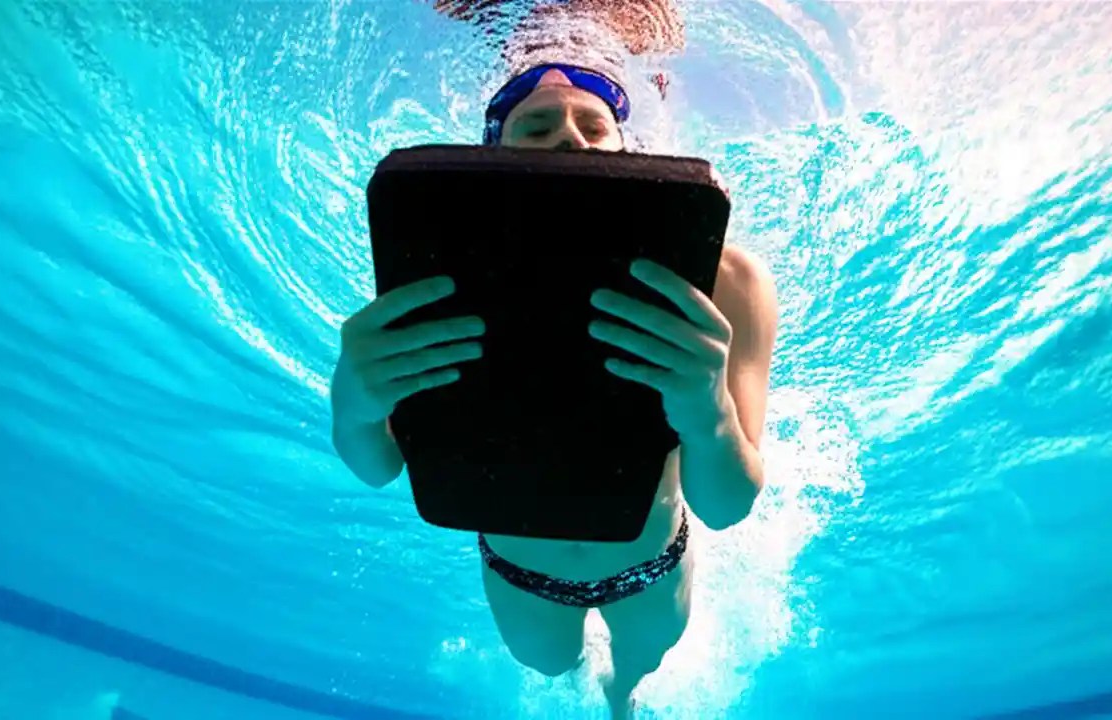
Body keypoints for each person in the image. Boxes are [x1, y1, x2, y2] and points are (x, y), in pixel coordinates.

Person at [330, 2, 779, 717]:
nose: (570, 139)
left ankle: (622, 699)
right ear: (494, 154)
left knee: (631, 675)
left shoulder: (729, 284)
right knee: (549, 667)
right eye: (537, 126)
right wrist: (351, 402)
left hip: (653, 568)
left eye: (594, 125)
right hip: (519, 577)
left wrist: (711, 411)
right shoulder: (441, 272)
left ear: (629, 148)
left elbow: (726, 506)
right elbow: (378, 464)